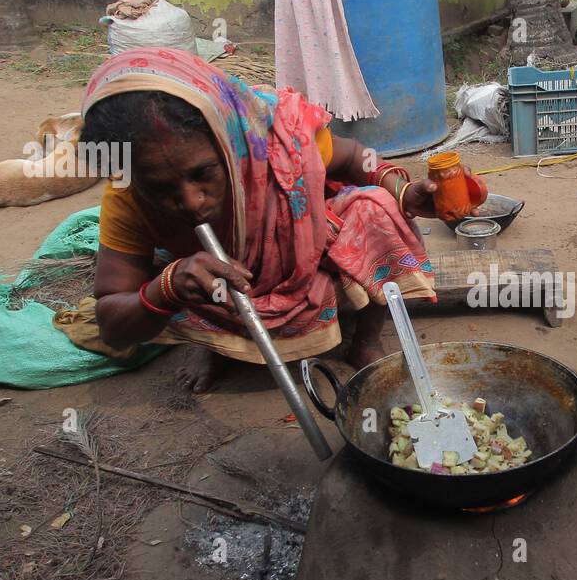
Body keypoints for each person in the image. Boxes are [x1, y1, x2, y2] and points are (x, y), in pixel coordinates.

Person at [78, 47, 442, 392]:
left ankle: (364, 340)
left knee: (378, 208)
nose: (191, 202)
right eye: (159, 188)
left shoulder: (274, 138)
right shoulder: (126, 195)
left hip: (303, 266)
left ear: (228, 141)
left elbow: (353, 159)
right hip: (211, 289)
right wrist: (168, 289)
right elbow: (112, 322)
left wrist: (403, 192)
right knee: (165, 275)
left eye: (204, 173)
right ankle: (216, 345)